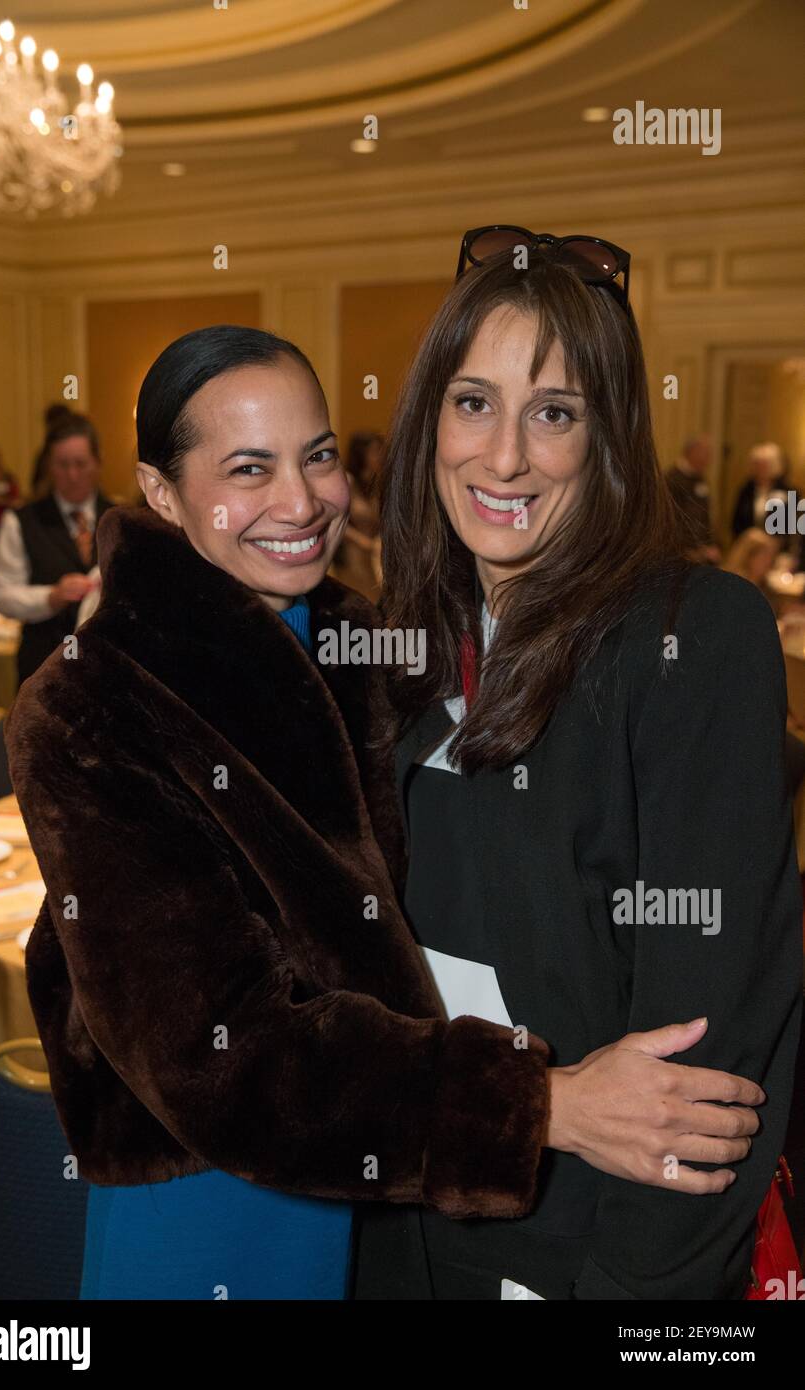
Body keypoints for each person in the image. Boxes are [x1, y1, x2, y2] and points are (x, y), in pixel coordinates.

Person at [2, 326, 764, 1301]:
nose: (299, 500)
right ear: (160, 491)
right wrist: (542, 1105)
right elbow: (218, 1058)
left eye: (316, 455)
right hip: (218, 1200)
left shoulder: (354, 633)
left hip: (386, 1202)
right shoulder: (92, 702)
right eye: (247, 467)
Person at [352, 236, 802, 1300]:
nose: (502, 457)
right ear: (427, 424)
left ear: (605, 437)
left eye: (551, 412)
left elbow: (703, 1080)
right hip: (398, 1241)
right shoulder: (399, 648)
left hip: (583, 1262)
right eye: (472, 402)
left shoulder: (687, 640)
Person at [0, 413, 114, 683]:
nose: (72, 474)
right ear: (49, 466)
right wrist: (51, 596)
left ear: (98, 462)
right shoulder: (21, 521)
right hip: (42, 669)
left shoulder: (119, 518)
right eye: (62, 465)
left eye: (80, 464)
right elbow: (2, 594)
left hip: (109, 669)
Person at [330, 431, 383, 601]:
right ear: (361, 453)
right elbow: (337, 522)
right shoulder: (348, 480)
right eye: (374, 451)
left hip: (374, 551)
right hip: (353, 552)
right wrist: (365, 543)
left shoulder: (376, 482)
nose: (379, 456)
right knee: (358, 599)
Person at [665, 434, 722, 564]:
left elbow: (704, 516)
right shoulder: (673, 480)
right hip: (682, 551)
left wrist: (711, 544)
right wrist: (694, 549)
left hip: (702, 549)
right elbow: (674, 520)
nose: (709, 460)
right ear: (692, 452)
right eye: (706, 454)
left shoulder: (700, 478)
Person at [730, 441, 788, 539]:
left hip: (776, 542)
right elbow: (736, 524)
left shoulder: (785, 491)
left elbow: (788, 527)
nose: (761, 469)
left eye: (765, 465)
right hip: (748, 541)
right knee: (751, 537)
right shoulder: (746, 490)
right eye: (757, 465)